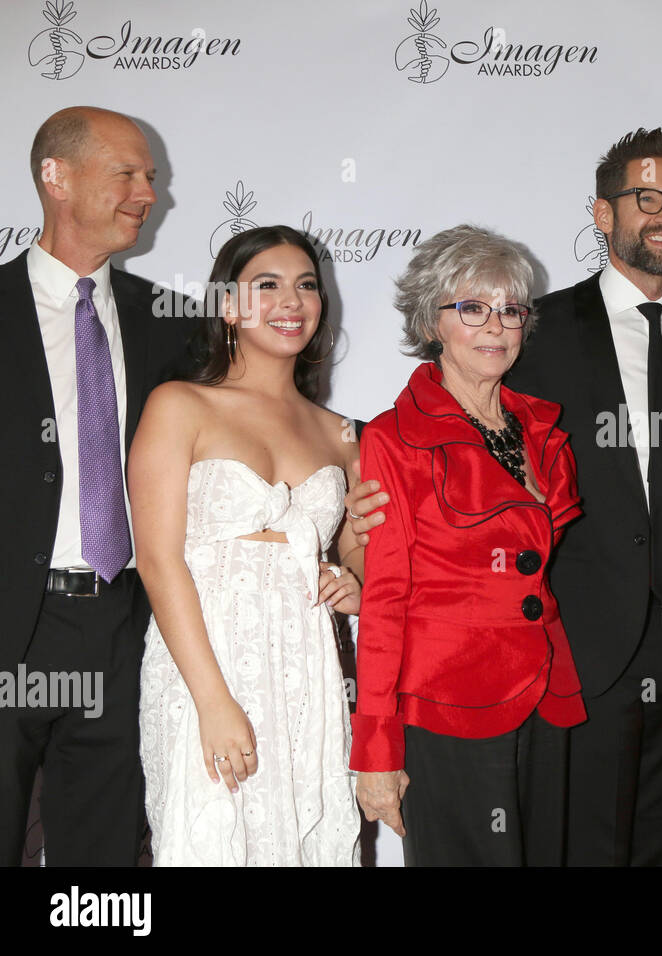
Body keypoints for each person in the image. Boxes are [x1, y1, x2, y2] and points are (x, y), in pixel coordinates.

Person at [346, 129, 662, 866]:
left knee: (654, 837)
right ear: (602, 213)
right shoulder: (542, 330)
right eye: (646, 197)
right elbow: (428, 487)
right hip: (574, 648)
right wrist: (350, 538)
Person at [349, 225, 586, 866]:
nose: (495, 327)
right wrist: (376, 749)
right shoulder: (395, 440)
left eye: (510, 310)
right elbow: (385, 601)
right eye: (472, 308)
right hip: (447, 705)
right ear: (433, 321)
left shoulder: (538, 429)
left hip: (544, 693)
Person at [0, 107, 195, 866]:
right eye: (129, 174)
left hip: (126, 628)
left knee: (104, 862)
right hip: (12, 628)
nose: (150, 193)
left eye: (152, 177)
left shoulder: (171, 322)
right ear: (56, 177)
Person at [130, 225, 361, 865]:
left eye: (306, 286)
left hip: (306, 672)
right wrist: (212, 699)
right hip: (205, 664)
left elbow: (362, 551)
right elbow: (156, 559)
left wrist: (356, 585)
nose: (292, 302)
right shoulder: (180, 405)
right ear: (229, 305)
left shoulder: (340, 433)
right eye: (268, 285)